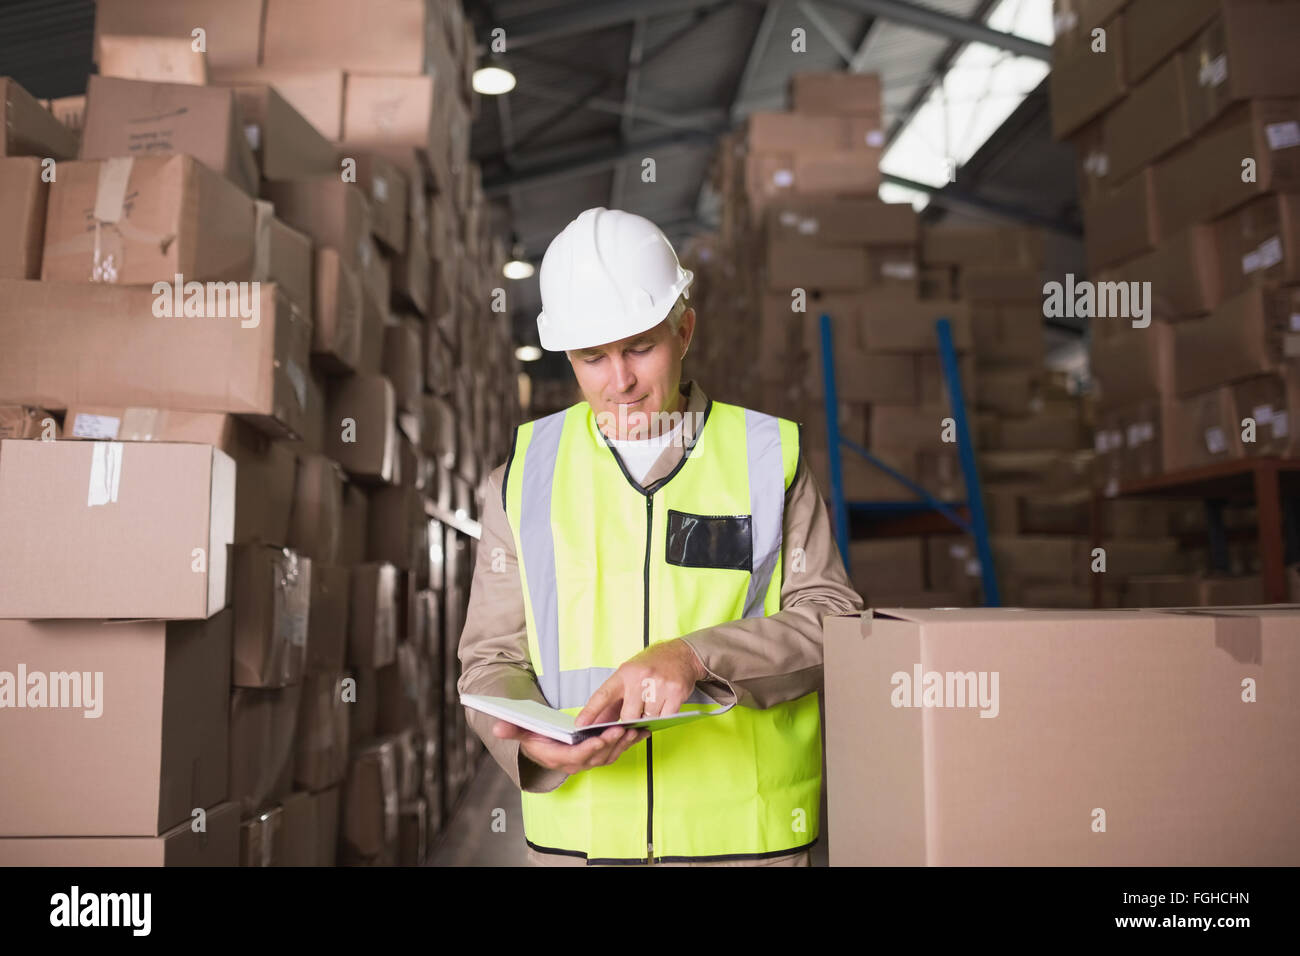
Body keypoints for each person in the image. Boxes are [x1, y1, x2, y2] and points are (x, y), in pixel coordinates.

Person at [457, 206, 864, 866]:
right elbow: (489, 658)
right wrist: (524, 742)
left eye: (640, 348)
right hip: (579, 840)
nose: (620, 383)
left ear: (685, 329)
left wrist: (698, 656)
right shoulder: (522, 478)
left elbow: (835, 626)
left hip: (743, 842)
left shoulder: (769, 458)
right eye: (592, 358)